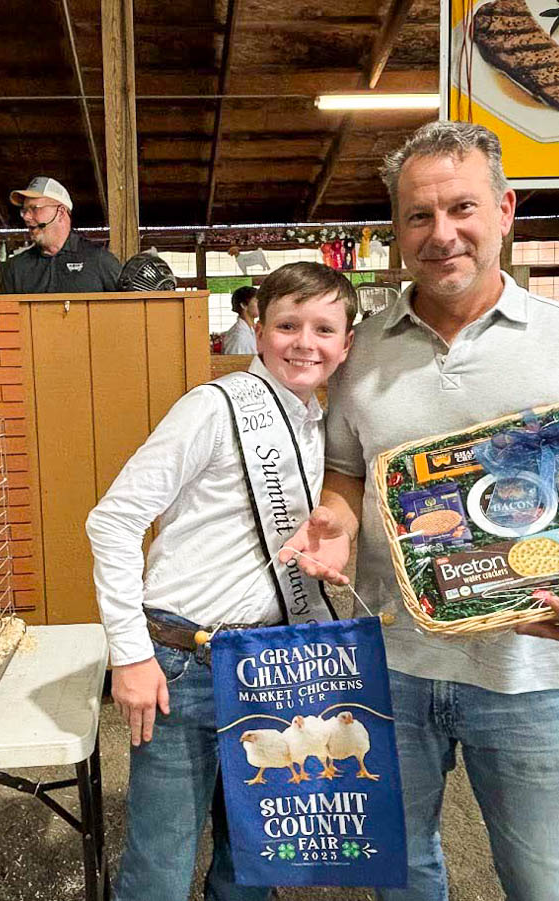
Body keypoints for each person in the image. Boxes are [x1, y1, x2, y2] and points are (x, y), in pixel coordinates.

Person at [280, 121, 559, 901]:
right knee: (403, 871)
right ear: (396, 231)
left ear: (504, 210)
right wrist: (338, 515)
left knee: (548, 882)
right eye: (418, 216)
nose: (442, 233)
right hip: (392, 664)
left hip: (534, 672)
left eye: (462, 207)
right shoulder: (362, 352)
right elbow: (349, 469)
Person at [86, 262, 356, 901]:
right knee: (161, 855)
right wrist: (130, 654)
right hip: (186, 659)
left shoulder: (318, 421)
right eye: (288, 324)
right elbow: (113, 521)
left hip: (275, 661)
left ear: (346, 345)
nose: (304, 342)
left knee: (255, 853)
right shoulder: (211, 408)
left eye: (324, 329)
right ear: (257, 330)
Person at [0, 176, 121, 294]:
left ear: (61, 212)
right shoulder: (15, 269)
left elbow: (131, 307)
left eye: (34, 208)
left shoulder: (100, 261)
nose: (26, 217)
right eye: (25, 211)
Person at [219, 285, 259, 354]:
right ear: (243, 305)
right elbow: (234, 363)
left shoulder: (250, 330)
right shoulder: (238, 336)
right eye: (256, 301)